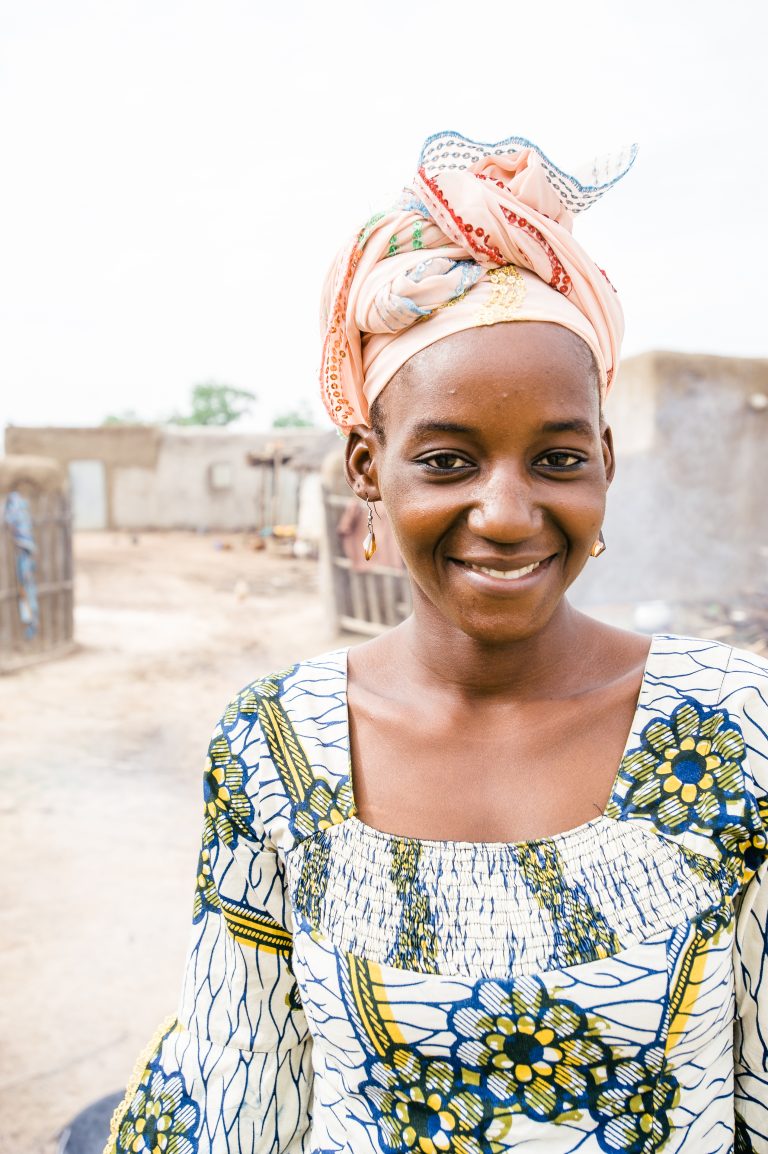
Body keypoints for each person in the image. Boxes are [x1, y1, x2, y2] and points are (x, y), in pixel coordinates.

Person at [105, 132, 768, 1154]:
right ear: (369, 467)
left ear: (605, 462)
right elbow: (239, 1086)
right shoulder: (281, 748)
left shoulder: (732, 728)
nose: (506, 512)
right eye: (449, 458)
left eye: (556, 458)